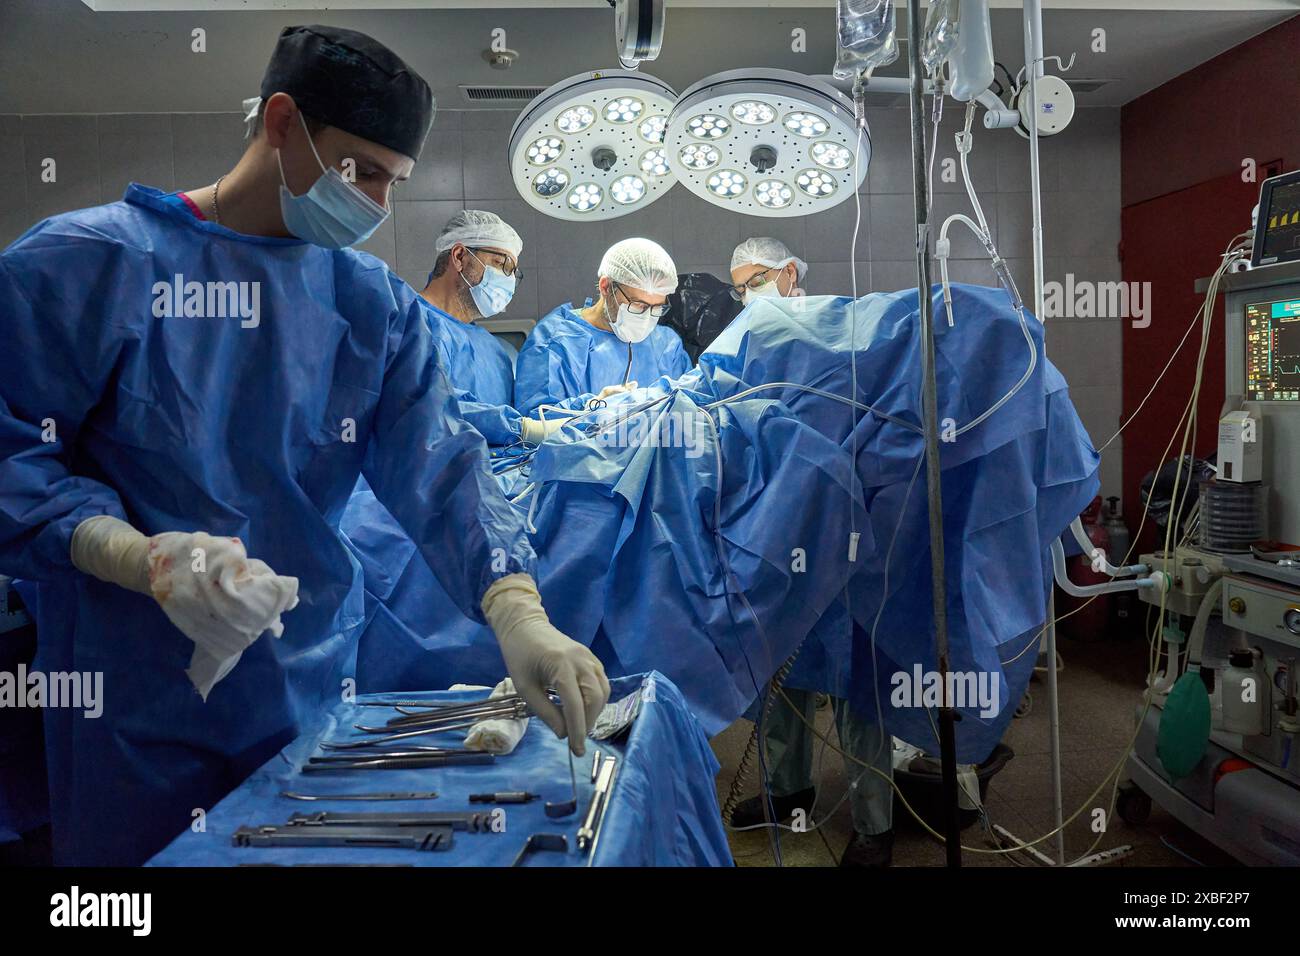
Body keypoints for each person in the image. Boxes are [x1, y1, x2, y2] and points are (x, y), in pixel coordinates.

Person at [0, 24, 608, 866]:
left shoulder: (369, 305)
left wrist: (516, 610)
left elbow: (441, 462)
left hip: (309, 677)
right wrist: (139, 559)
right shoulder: (86, 264)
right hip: (132, 697)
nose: (377, 204)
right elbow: (13, 455)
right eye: (360, 170)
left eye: (394, 183)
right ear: (281, 121)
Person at [726, 237, 896, 868]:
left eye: (756, 282)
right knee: (783, 679)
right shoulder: (753, 340)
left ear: (790, 273)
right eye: (740, 287)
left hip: (851, 537)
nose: (748, 296)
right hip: (780, 533)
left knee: (859, 683)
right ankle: (785, 791)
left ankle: (874, 824)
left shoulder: (847, 329)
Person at [415, 210, 561, 446]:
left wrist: (585, 410)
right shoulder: (411, 324)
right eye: (502, 264)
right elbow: (430, 404)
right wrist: (520, 429)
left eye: (514, 273)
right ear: (460, 256)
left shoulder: (494, 350)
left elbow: (523, 415)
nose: (509, 280)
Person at [514, 238, 691, 418]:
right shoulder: (556, 341)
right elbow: (535, 423)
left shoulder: (666, 345)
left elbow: (689, 410)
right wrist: (593, 410)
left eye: (656, 308)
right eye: (638, 305)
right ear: (605, 287)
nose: (646, 318)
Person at [728, 236, 808, 305]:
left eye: (758, 282)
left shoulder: (817, 320)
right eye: (742, 291)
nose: (749, 297)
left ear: (790, 272)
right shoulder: (746, 323)